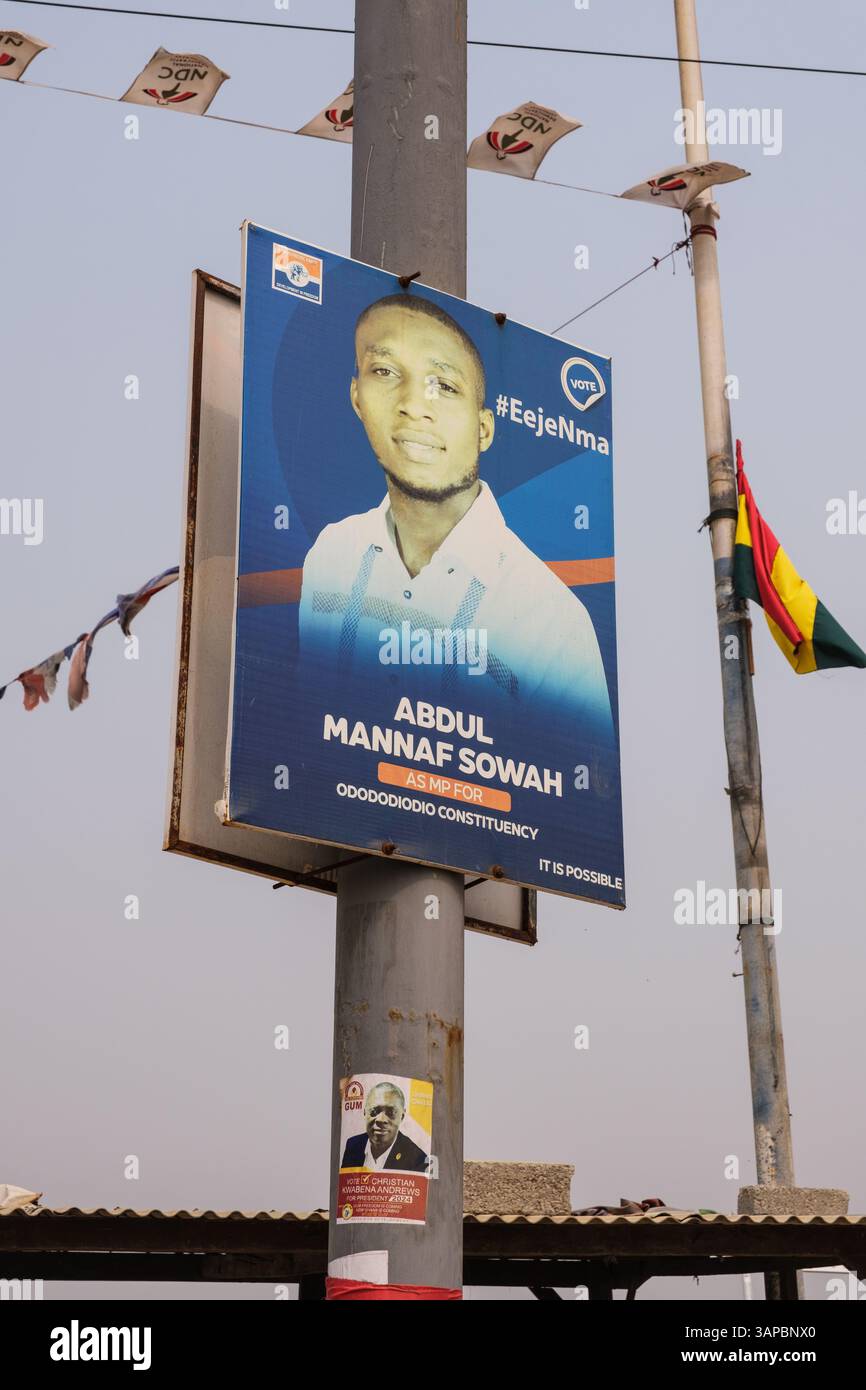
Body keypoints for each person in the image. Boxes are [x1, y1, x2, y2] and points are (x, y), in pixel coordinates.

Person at [299, 292, 613, 738]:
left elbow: (582, 793)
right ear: (356, 397)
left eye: (444, 387)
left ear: (484, 429)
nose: (414, 405)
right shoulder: (332, 555)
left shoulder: (551, 618)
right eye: (385, 372)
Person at [341, 1082, 429, 1173]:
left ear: (402, 1116)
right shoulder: (353, 1145)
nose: (381, 1119)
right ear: (364, 1112)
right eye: (374, 1111)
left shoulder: (417, 1159)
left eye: (391, 1112)